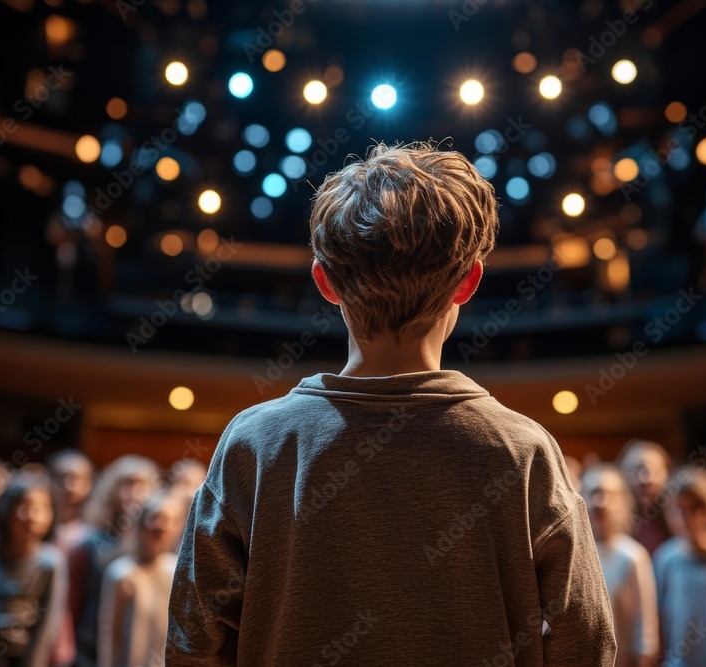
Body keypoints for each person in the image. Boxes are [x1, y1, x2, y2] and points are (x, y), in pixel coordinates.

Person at [166, 142, 617, 665]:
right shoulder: (523, 451)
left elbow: (191, 645)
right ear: (469, 281)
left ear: (325, 282)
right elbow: (584, 643)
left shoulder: (253, 444)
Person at [0, 466, 66, 667]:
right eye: (25, 506)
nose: (33, 517)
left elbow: (47, 627)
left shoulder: (50, 562)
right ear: (7, 510)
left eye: (41, 508)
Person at [69, 455, 161, 667]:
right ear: (111, 491)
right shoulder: (91, 544)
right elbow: (73, 607)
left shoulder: (158, 546)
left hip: (138, 650)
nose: (135, 494)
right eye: (127, 485)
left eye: (142, 485)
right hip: (91, 650)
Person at [654, 467, 706, 667]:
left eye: (693, 510)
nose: (686, 518)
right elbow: (662, 614)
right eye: (679, 510)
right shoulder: (665, 558)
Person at [580, 464, 659, 667]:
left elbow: (645, 634)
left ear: (623, 502)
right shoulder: (574, 554)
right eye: (594, 493)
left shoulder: (632, 556)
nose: (600, 502)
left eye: (609, 494)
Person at [98, 493, 185, 667]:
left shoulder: (177, 570)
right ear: (141, 523)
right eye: (155, 518)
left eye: (170, 521)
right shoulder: (121, 573)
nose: (162, 527)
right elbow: (109, 634)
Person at [47, 449, 96, 667]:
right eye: (61, 478)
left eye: (78, 479)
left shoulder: (93, 536)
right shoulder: (36, 529)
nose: (69, 486)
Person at [617, 439, 673, 556]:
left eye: (655, 470)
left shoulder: (678, 519)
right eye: (635, 470)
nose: (646, 480)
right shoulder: (612, 523)